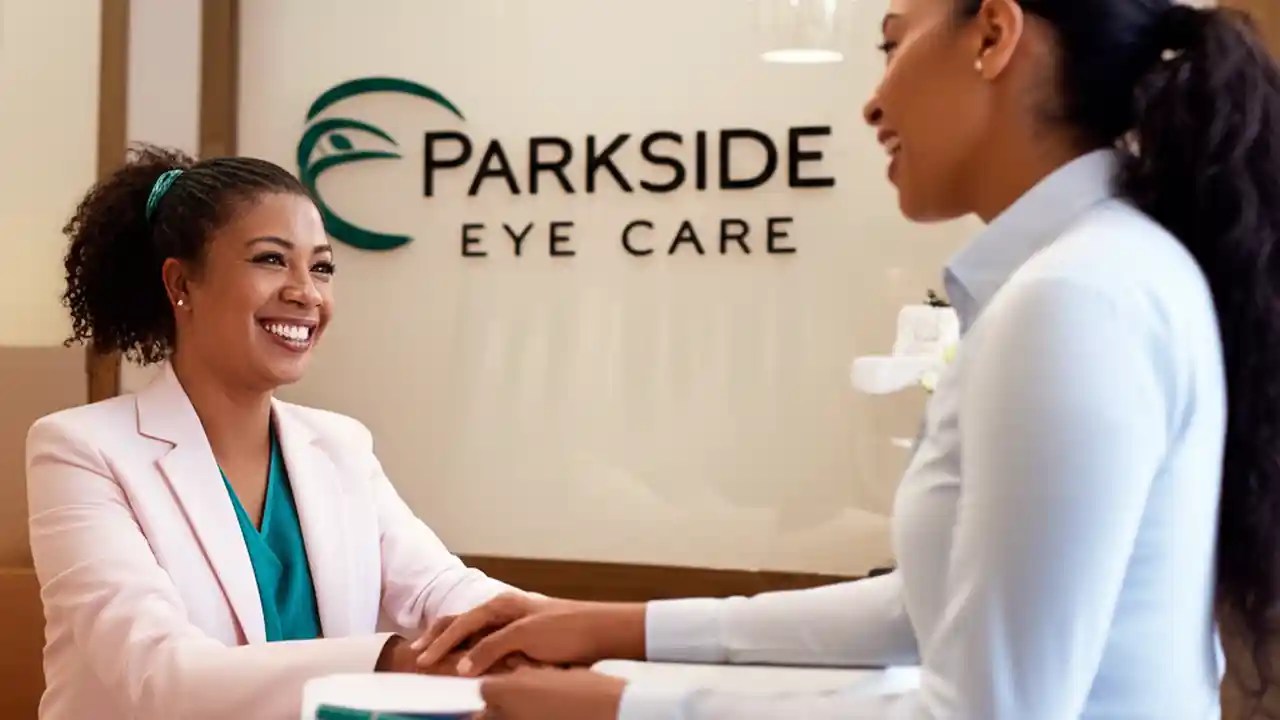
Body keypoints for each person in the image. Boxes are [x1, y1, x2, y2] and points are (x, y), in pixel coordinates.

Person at [416, 1, 1280, 718]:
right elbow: (929, 608)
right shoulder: (1097, 273)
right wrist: (607, 625)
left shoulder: (1074, 296)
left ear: (993, 35)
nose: (872, 102)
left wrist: (620, 708)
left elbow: (989, 711)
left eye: (893, 45)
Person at [26, 145, 522, 720]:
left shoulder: (341, 445)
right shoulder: (79, 450)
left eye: (322, 267)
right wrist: (394, 663)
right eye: (270, 260)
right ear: (181, 283)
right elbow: (163, 674)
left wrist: (564, 634)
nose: (306, 292)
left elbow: (438, 589)